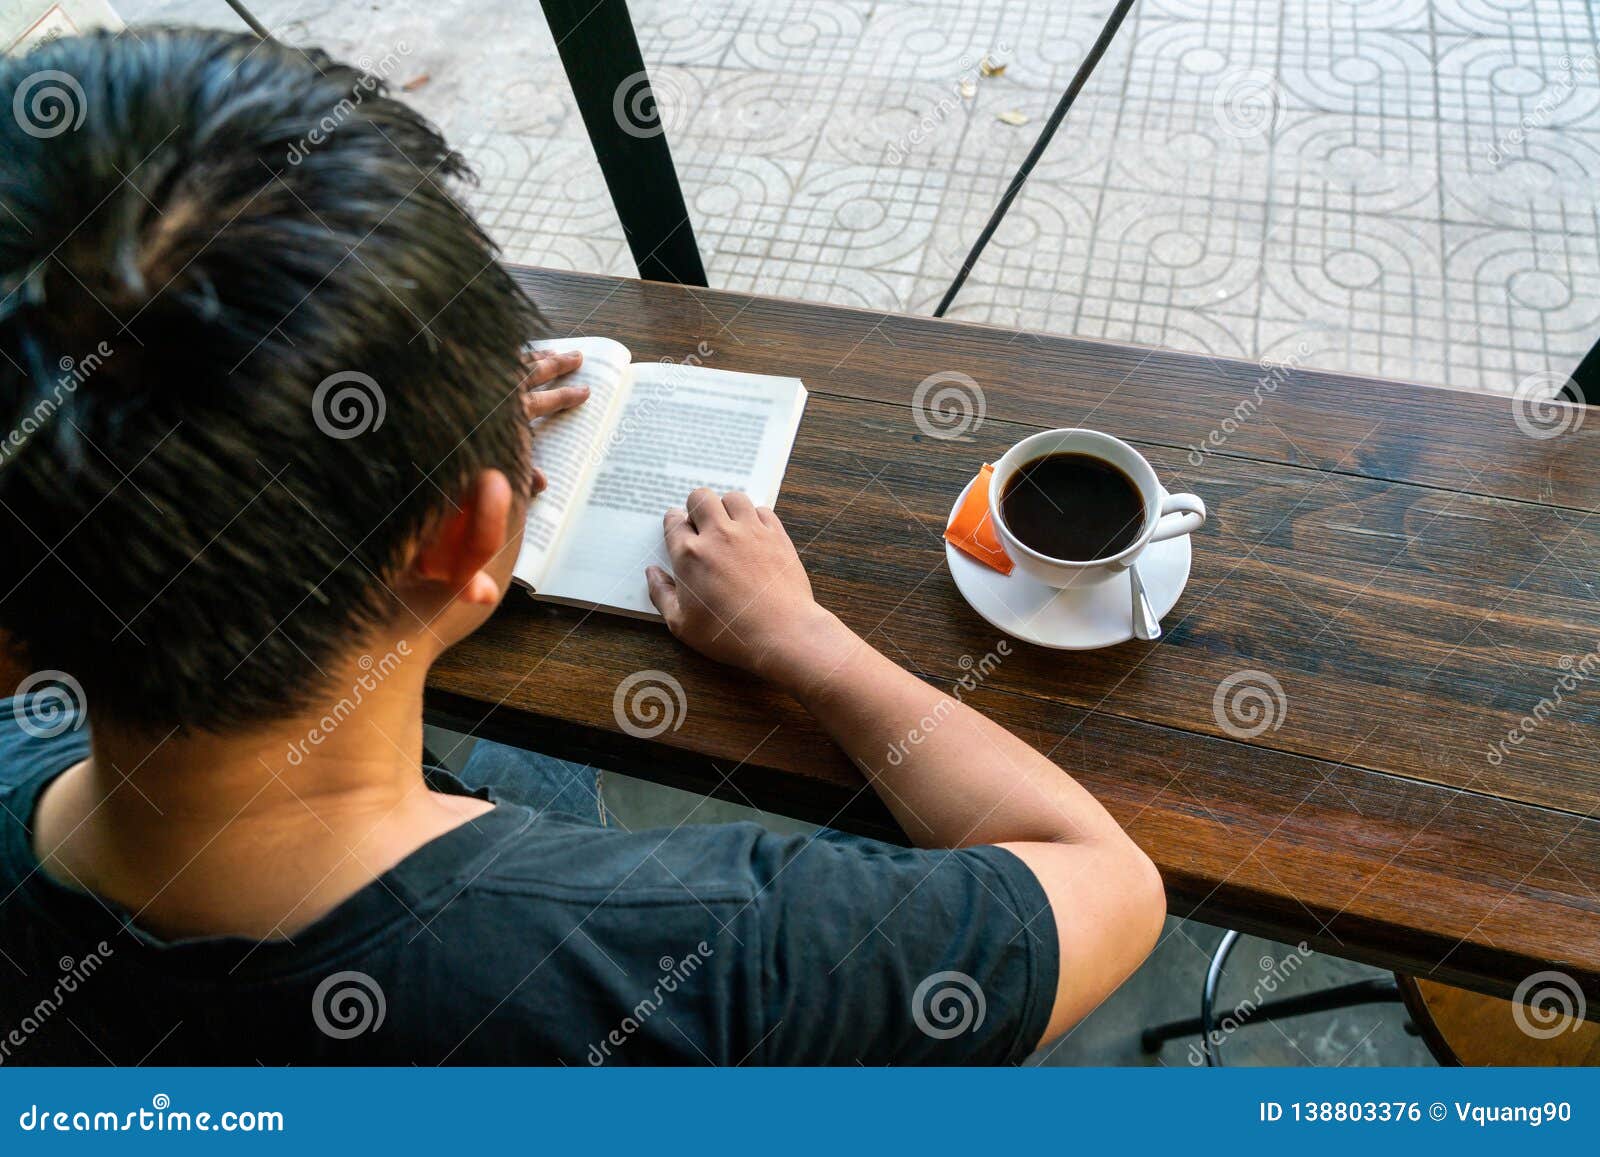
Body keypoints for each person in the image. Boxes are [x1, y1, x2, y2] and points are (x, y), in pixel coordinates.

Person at [0, 29, 1162, 1065]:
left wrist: (345, 457)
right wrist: (806, 643)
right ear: (472, 532)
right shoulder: (711, 966)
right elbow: (1103, 881)